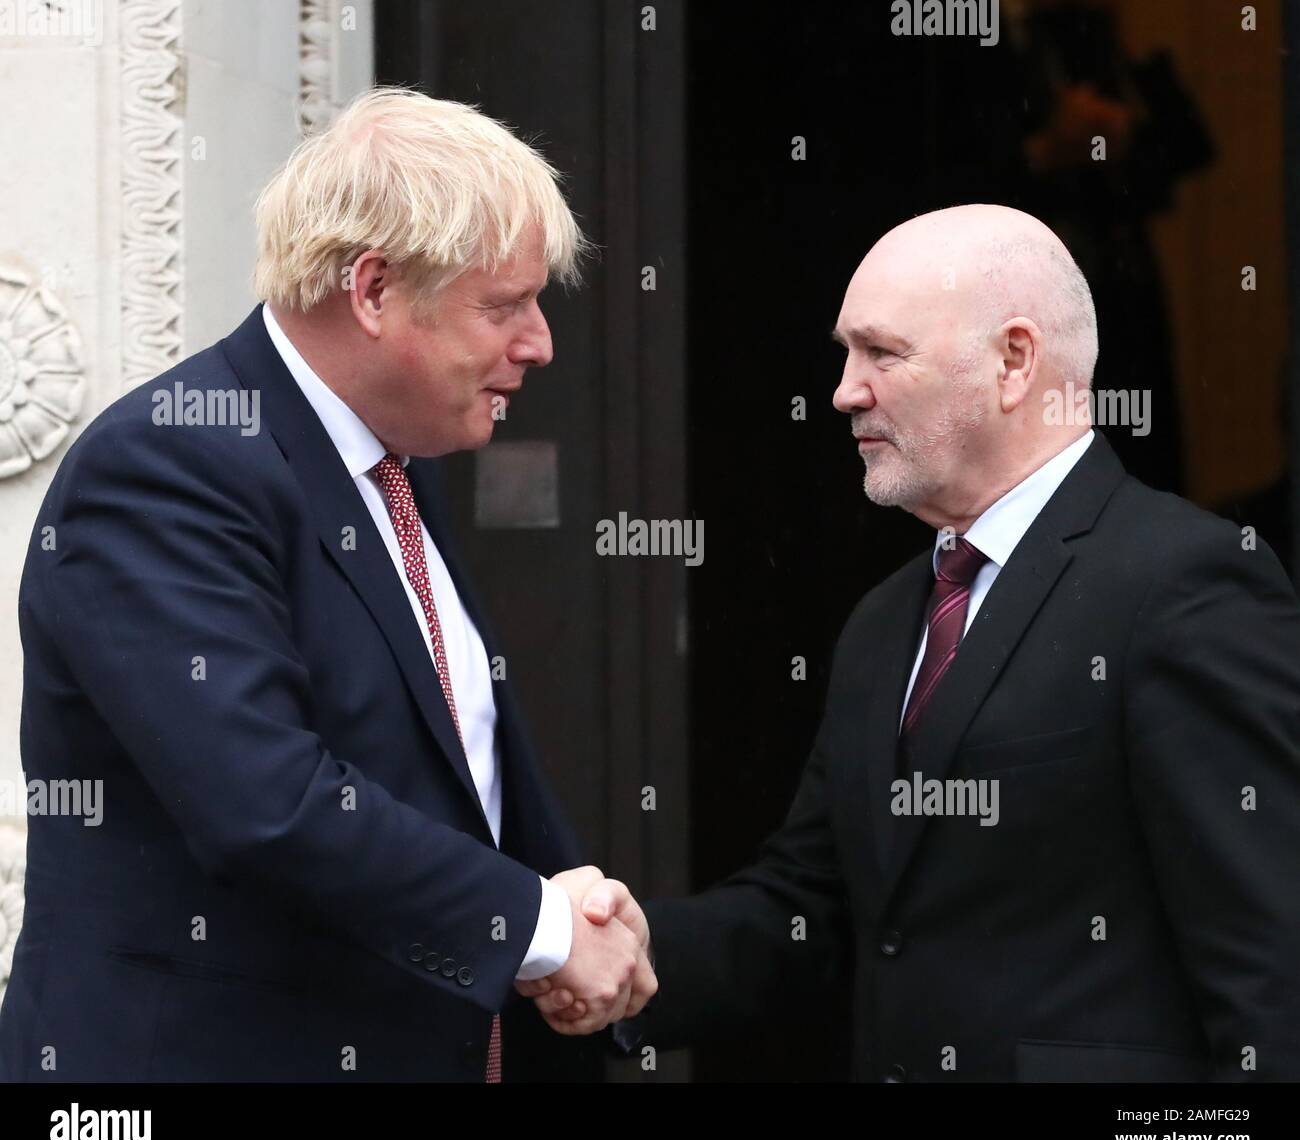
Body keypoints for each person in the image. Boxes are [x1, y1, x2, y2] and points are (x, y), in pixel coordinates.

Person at [521, 204, 1300, 1082]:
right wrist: (608, 947)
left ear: (1013, 362)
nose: (845, 389)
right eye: (846, 354)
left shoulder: (1185, 585)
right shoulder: (889, 620)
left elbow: (1271, 968)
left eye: (882, 353)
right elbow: (810, 907)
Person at [0, 87, 653, 1083]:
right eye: (503, 304)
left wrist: (574, 899)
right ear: (375, 288)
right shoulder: (168, 463)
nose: (539, 343)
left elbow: (443, 760)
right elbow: (268, 802)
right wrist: (542, 927)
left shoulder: (392, 462)